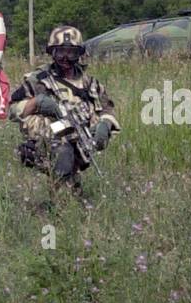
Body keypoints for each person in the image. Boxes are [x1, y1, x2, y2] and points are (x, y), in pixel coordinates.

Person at [9, 25, 119, 195]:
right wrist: (36, 102)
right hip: (47, 140)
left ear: (79, 54)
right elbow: (12, 110)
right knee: (63, 154)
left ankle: (68, 196)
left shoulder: (91, 84)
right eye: (60, 52)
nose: (65, 58)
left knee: (72, 175)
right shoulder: (38, 80)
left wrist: (105, 125)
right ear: (52, 52)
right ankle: (60, 199)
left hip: (81, 140)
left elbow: (107, 109)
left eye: (71, 53)